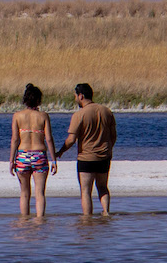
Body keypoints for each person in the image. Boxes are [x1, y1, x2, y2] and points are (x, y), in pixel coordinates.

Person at [55, 82, 116, 216]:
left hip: (86, 158)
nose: (75, 99)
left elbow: (71, 139)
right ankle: (106, 212)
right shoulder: (106, 111)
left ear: (81, 96)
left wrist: (60, 152)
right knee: (103, 187)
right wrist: (107, 149)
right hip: (104, 157)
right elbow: (113, 136)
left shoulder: (79, 115)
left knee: (85, 191)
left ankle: (87, 218)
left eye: (75, 96)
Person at [7, 83, 58, 217]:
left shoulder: (17, 116)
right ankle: (40, 221)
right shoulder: (43, 116)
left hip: (22, 156)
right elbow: (48, 139)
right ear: (38, 99)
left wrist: (11, 160)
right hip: (39, 155)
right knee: (39, 193)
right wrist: (54, 159)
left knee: (24, 193)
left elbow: (15, 140)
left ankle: (24, 222)